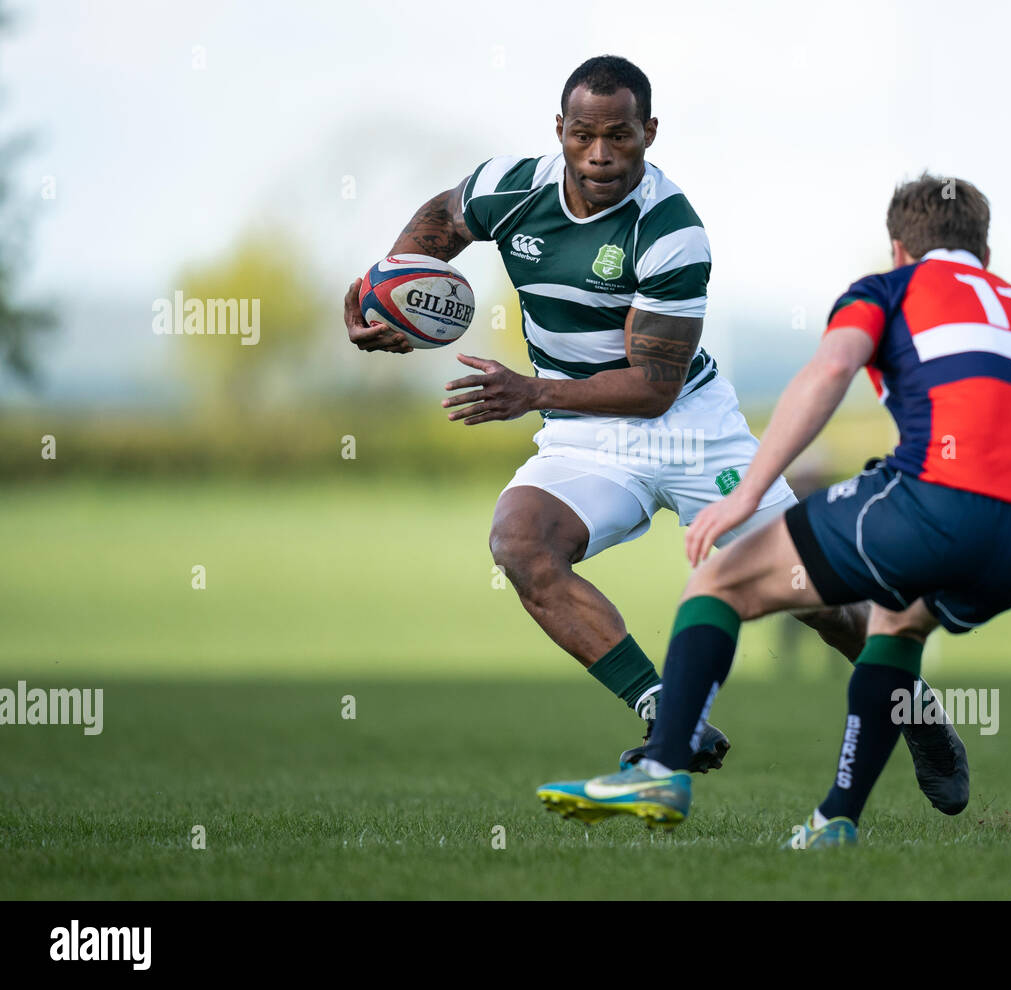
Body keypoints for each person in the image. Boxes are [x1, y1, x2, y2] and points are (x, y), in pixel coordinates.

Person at [345, 56, 966, 793]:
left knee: (817, 598)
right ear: (560, 132)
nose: (600, 155)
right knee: (520, 542)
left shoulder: (672, 232)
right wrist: (386, 290)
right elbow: (446, 218)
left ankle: (917, 711)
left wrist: (532, 392)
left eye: (620, 136)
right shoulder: (508, 189)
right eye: (583, 136)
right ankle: (669, 710)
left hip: (688, 427)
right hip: (583, 430)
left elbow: (652, 388)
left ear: (650, 133)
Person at [536, 173, 1011, 847]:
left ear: (898, 247)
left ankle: (662, 769)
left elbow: (829, 372)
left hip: (937, 502)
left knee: (719, 584)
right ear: (983, 253)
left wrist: (749, 492)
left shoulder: (886, 289)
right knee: (898, 624)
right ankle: (834, 819)